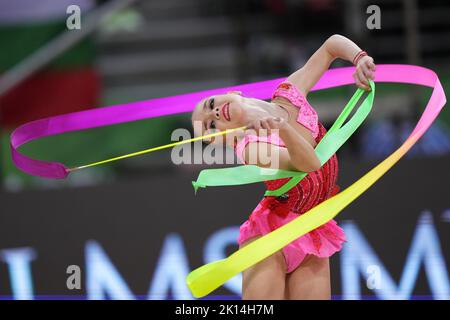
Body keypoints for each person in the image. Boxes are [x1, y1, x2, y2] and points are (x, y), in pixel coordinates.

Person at [191, 34, 376, 300]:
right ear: (224, 138)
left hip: (312, 228)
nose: (215, 114)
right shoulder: (250, 148)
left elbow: (331, 46)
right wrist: (282, 126)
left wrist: (360, 59)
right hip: (271, 236)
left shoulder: (289, 92)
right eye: (211, 125)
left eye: (211, 105)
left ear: (231, 93)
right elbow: (309, 163)